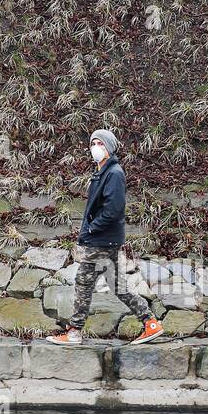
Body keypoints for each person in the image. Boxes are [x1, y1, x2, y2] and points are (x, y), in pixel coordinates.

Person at [47, 128, 163, 346]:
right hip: (104, 239)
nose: (95, 148)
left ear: (109, 147)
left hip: (101, 239)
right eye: (93, 143)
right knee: (118, 285)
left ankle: (74, 332)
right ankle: (151, 323)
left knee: (83, 282)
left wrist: (92, 229)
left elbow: (114, 209)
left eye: (100, 143)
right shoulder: (103, 172)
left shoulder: (114, 173)